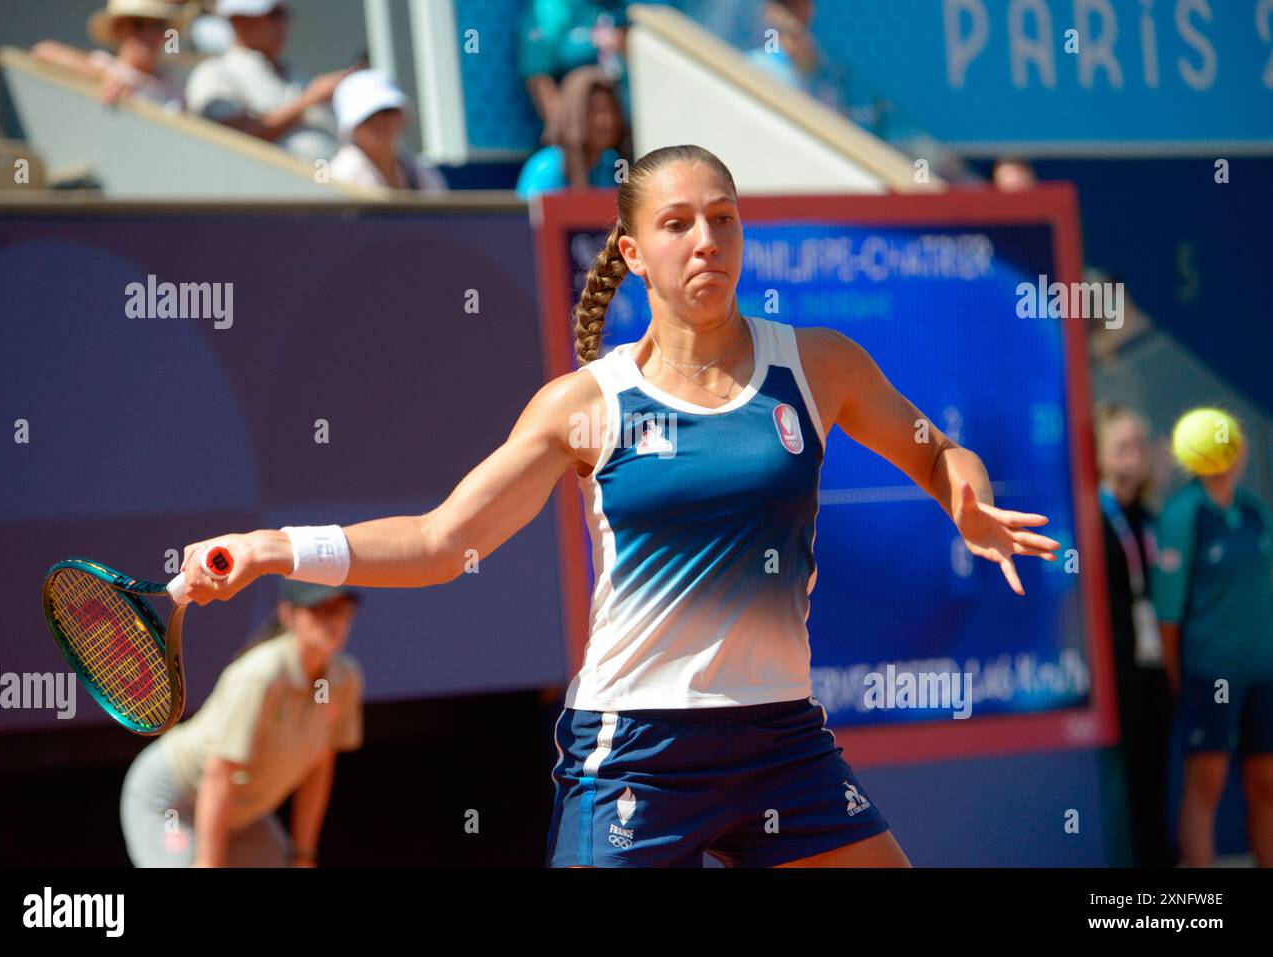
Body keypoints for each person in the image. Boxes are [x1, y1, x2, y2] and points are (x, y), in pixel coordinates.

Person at [172, 144, 1059, 868]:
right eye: (678, 224)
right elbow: (443, 540)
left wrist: (963, 493)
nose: (707, 239)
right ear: (633, 252)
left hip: (782, 735)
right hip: (639, 745)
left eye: (723, 217)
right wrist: (274, 544)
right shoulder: (584, 405)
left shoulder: (818, 364)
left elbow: (936, 451)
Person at [119, 581, 364, 867]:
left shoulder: (345, 679)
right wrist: (210, 863)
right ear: (288, 614)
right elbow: (219, 773)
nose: (333, 620)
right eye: (320, 609)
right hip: (174, 798)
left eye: (341, 610)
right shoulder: (260, 676)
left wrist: (303, 855)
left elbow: (319, 765)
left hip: (238, 814)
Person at [1153, 414, 1273, 867]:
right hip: (1211, 674)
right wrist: (1182, 682)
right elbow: (1168, 615)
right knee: (1206, 786)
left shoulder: (1256, 512)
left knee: (1267, 786)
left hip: (1264, 672)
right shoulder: (1182, 515)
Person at [1094, 404, 1175, 867]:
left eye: (1139, 447)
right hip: (1114, 677)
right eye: (1123, 446)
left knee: (1155, 777)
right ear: (1101, 456)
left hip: (1152, 672)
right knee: (1118, 786)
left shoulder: (1149, 518)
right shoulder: (1092, 519)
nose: (1135, 456)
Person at [184, 0, 351, 162]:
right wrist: (308, 100)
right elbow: (227, 138)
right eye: (274, 14)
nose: (283, 23)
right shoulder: (215, 72)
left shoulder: (297, 75)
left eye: (285, 14)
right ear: (239, 20)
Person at [31, 0, 186, 109]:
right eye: (137, 25)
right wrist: (102, 77)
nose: (149, 34)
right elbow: (43, 51)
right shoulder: (105, 65)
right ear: (119, 29)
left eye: (158, 26)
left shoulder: (173, 85)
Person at [516, 66, 626, 201]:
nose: (607, 121)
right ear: (573, 115)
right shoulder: (548, 169)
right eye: (595, 111)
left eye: (611, 109)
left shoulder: (614, 166)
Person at [329, 69, 447, 193]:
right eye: (368, 117)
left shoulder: (422, 173)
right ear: (351, 127)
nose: (380, 122)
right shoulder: (341, 176)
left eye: (388, 111)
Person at [518, 0, 630, 129]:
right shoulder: (548, 9)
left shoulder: (620, 8)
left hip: (624, 131)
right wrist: (568, 137)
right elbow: (539, 79)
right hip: (579, 135)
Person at [743, 0, 842, 111]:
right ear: (771, 11)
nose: (796, 18)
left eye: (799, 9)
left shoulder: (821, 80)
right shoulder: (758, 63)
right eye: (789, 8)